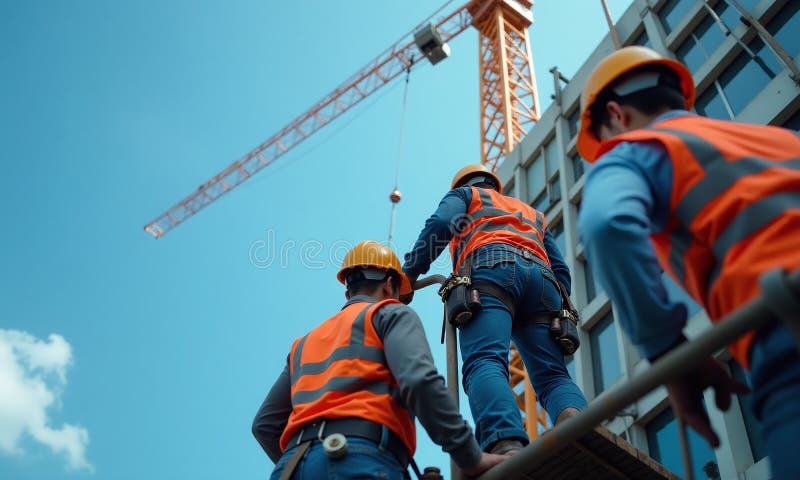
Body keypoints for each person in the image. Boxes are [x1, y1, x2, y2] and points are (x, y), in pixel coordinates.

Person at [576, 45, 800, 478]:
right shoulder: (777, 139)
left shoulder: (638, 148)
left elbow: (607, 224)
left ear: (618, 116)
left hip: (785, 323)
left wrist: (668, 351)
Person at [252, 240, 508, 479]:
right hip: (359, 458)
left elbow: (264, 425)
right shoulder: (390, 313)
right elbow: (419, 382)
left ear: (348, 293)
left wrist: (298, 463)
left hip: (292, 466)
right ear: (389, 285)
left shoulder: (303, 344)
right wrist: (469, 456)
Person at [403, 165, 588, 455]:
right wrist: (559, 309)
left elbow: (441, 223)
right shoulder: (531, 212)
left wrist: (410, 274)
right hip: (544, 283)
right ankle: (575, 424)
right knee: (554, 376)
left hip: (491, 270)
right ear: (495, 185)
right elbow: (561, 269)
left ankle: (506, 442)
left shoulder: (466, 195)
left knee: (485, 361)